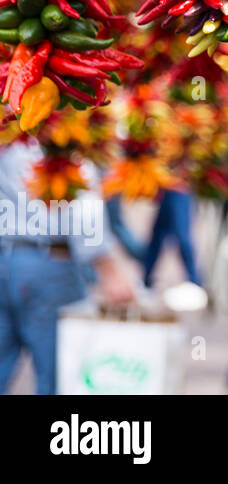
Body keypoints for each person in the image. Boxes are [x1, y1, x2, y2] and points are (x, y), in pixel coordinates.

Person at [0, 137, 134, 394]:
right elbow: (83, 208)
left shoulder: (10, 138)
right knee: (59, 375)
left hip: (7, 260)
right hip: (49, 268)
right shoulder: (60, 140)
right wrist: (109, 271)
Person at [140, 186, 202, 288]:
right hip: (167, 187)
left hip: (179, 186)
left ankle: (194, 281)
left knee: (181, 237)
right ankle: (146, 280)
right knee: (158, 236)